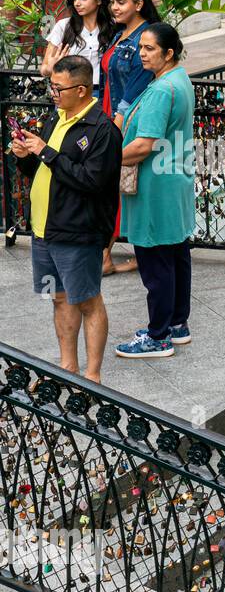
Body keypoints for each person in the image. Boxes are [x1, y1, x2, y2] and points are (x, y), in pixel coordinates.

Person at [11, 55, 122, 383]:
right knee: (58, 297)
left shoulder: (102, 131)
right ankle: (67, 367)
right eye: (52, 86)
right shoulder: (55, 118)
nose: (53, 93)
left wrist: (46, 151)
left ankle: (93, 376)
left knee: (87, 300)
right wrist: (26, 158)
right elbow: (45, 171)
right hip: (45, 227)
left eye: (58, 88)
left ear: (83, 89)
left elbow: (91, 181)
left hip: (79, 230)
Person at [114, 23, 196, 360]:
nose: (142, 54)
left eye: (149, 49)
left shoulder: (163, 89)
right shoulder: (179, 79)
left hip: (155, 184)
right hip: (173, 178)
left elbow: (144, 145)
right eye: (142, 48)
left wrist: (103, 160)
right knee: (176, 253)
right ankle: (177, 325)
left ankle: (158, 336)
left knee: (155, 259)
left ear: (168, 52)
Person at [101, 0, 162, 277]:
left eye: (120, 2)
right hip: (110, 115)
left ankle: (109, 255)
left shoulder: (144, 39)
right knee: (117, 187)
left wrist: (118, 121)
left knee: (121, 186)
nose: (114, 7)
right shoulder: (119, 35)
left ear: (138, 4)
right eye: (113, 1)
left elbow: (137, 85)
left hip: (125, 119)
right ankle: (113, 255)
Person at [40, 0, 114, 97]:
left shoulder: (113, 27)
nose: (77, 3)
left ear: (99, 0)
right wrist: (51, 67)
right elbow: (44, 70)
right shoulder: (64, 26)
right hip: (69, 93)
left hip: (103, 93)